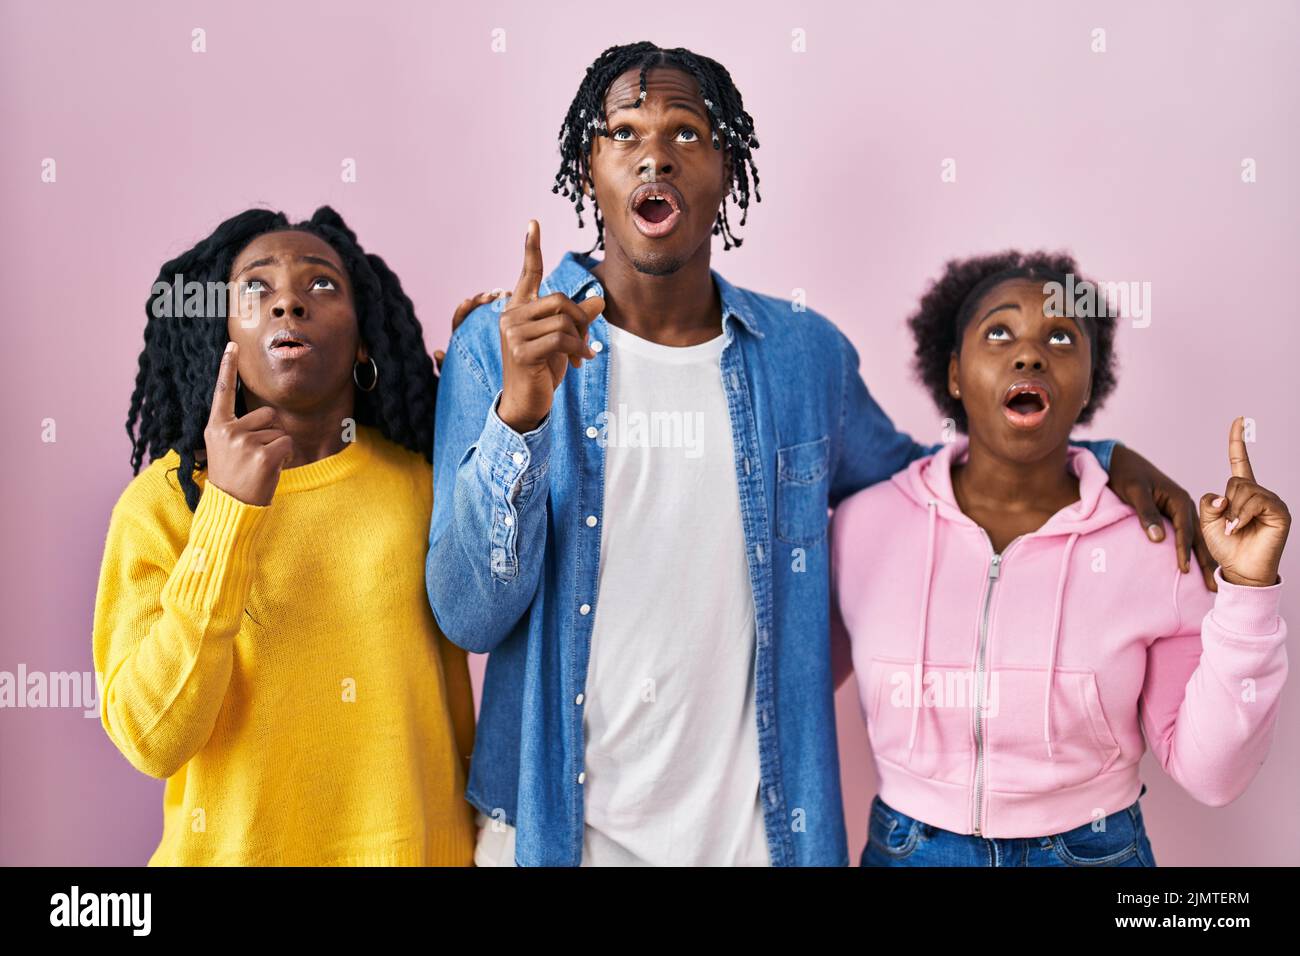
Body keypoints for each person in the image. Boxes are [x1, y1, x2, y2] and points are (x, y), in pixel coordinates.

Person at [428, 43, 1213, 867]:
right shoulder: (500, 349)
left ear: (727, 168)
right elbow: (468, 616)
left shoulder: (804, 359)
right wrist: (518, 416)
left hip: (759, 840)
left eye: (687, 133)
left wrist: (1098, 454)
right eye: (622, 132)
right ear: (588, 167)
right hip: (553, 836)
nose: (654, 152)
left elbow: (937, 482)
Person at [830, 252, 1289, 866]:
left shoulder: (1155, 542)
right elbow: (777, 691)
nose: (1029, 354)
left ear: (1090, 381)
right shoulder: (864, 526)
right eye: (998, 332)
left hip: (1094, 851)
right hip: (908, 848)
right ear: (956, 374)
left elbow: (1214, 776)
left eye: (1061, 336)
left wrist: (1247, 589)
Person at [93, 206, 477, 865]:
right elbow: (150, 736)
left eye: (321, 285)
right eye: (256, 289)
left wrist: (484, 390)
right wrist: (227, 513)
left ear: (364, 340)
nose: (288, 304)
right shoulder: (163, 504)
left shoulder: (423, 481)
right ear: (224, 337)